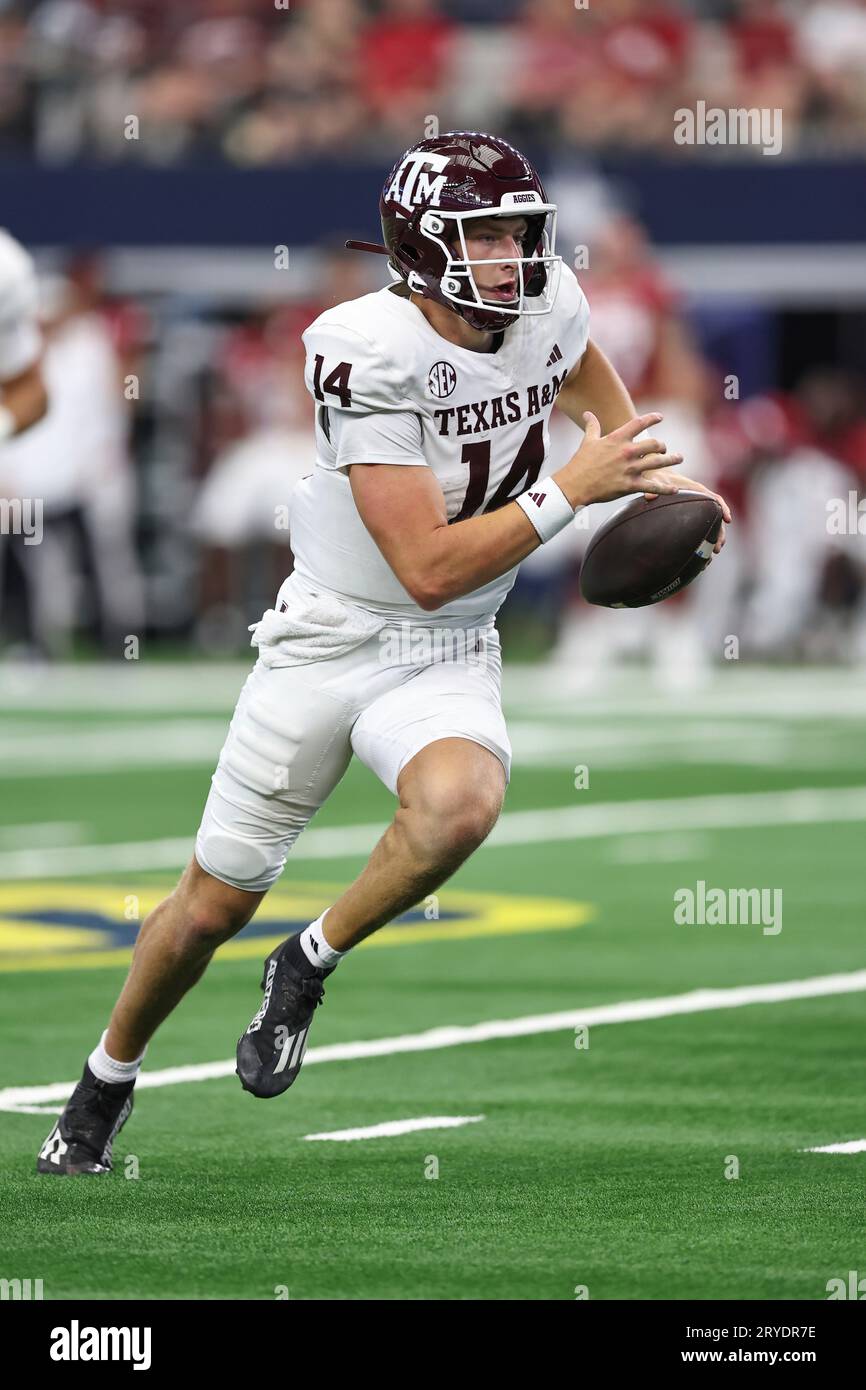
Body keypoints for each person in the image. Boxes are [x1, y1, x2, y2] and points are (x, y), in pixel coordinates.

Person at [37, 131, 728, 1176]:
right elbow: (423, 566)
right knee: (209, 902)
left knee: (461, 804)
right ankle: (105, 1078)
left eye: (517, 231)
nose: (509, 254)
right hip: (330, 636)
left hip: (448, 647)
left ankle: (308, 960)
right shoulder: (366, 346)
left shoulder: (547, 304)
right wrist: (567, 493)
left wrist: (636, 467)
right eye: (483, 234)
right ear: (421, 245)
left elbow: (581, 379)